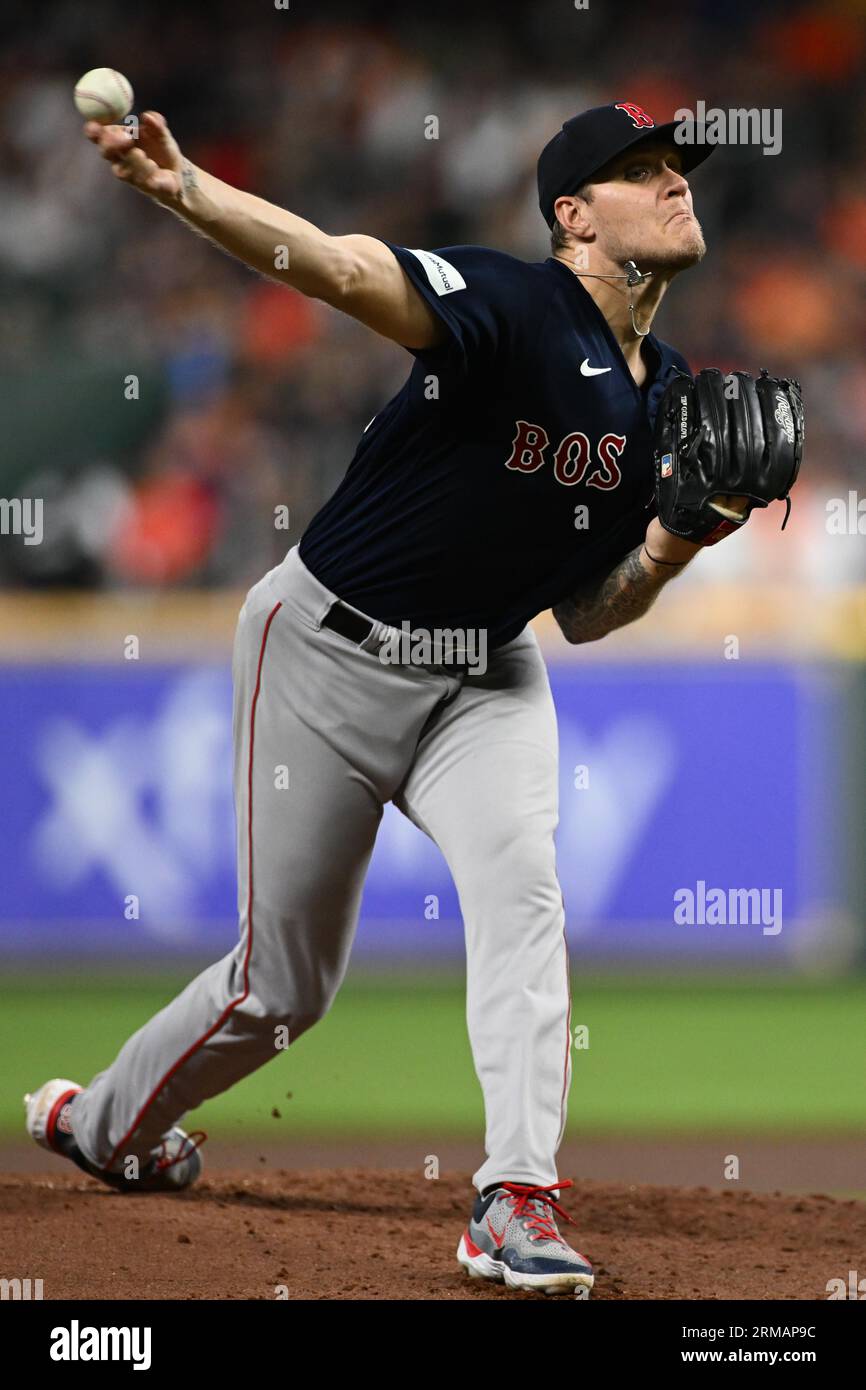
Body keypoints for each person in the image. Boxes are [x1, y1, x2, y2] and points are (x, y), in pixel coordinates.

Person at [27, 101, 726, 1298]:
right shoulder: (512, 304)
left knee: (523, 896)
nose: (673, 186)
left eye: (677, 169)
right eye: (640, 171)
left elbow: (589, 611)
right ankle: (104, 1126)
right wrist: (183, 188)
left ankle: (514, 1196)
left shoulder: (664, 405)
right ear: (571, 216)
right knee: (280, 991)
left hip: (485, 675)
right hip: (325, 652)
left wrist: (673, 544)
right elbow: (348, 271)